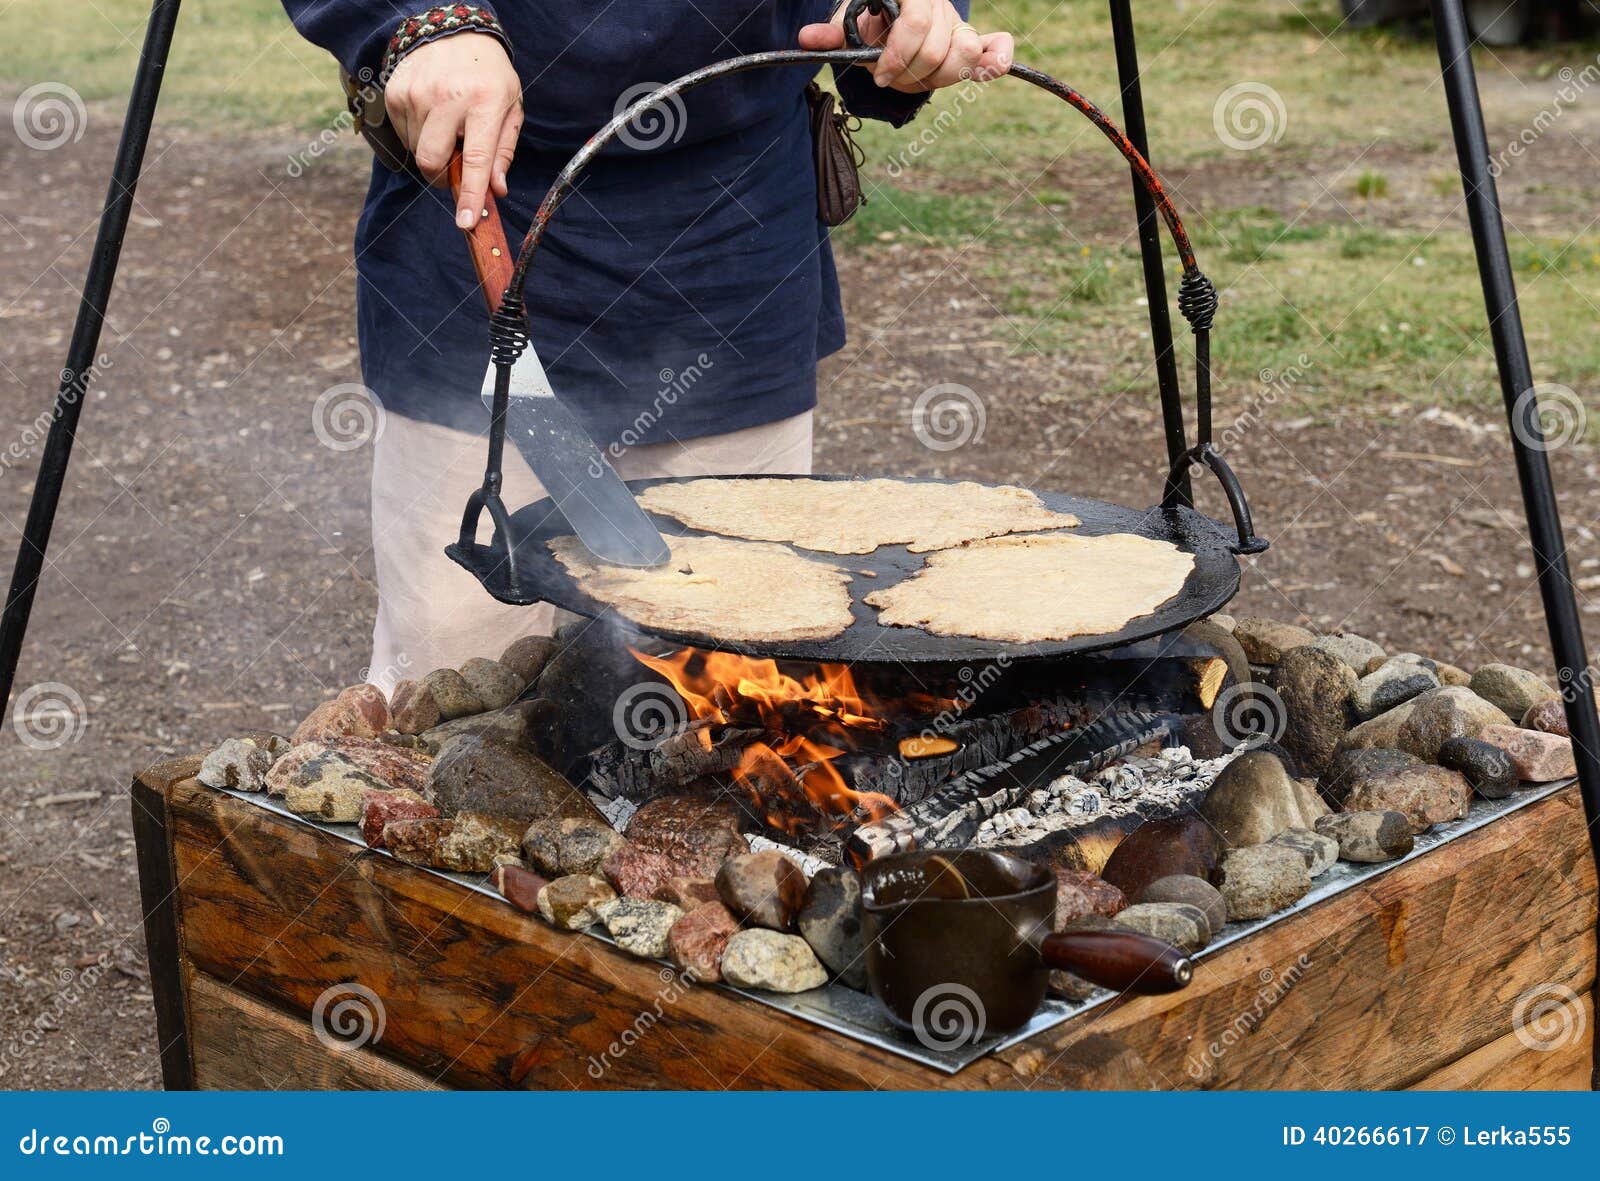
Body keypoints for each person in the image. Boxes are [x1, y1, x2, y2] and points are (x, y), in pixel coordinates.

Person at [281, 1, 1013, 692]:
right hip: (476, 234)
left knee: (731, 698)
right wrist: (421, 20)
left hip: (733, 254)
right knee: (453, 696)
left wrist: (890, 22)